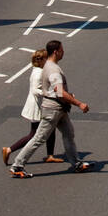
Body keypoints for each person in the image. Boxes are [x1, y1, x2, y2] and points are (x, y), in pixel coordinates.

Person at [9, 39, 92, 176]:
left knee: (68, 134)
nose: (63, 52)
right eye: (62, 50)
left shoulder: (48, 65)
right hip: (53, 109)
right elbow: (59, 93)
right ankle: (17, 165)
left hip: (59, 109)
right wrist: (79, 103)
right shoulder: (53, 69)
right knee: (39, 138)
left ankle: (77, 163)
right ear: (56, 51)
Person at [1, 50, 60, 166]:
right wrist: (49, 93)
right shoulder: (38, 73)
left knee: (50, 129)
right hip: (36, 107)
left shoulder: (40, 70)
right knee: (34, 135)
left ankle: (50, 155)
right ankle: (9, 150)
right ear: (41, 60)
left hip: (39, 105)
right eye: (46, 59)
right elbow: (35, 90)